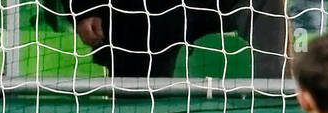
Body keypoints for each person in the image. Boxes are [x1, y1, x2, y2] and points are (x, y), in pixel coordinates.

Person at [56, 0, 289, 78]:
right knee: (134, 111)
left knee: (263, 1)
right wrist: (83, 8)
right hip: (139, 13)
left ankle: (273, 91)